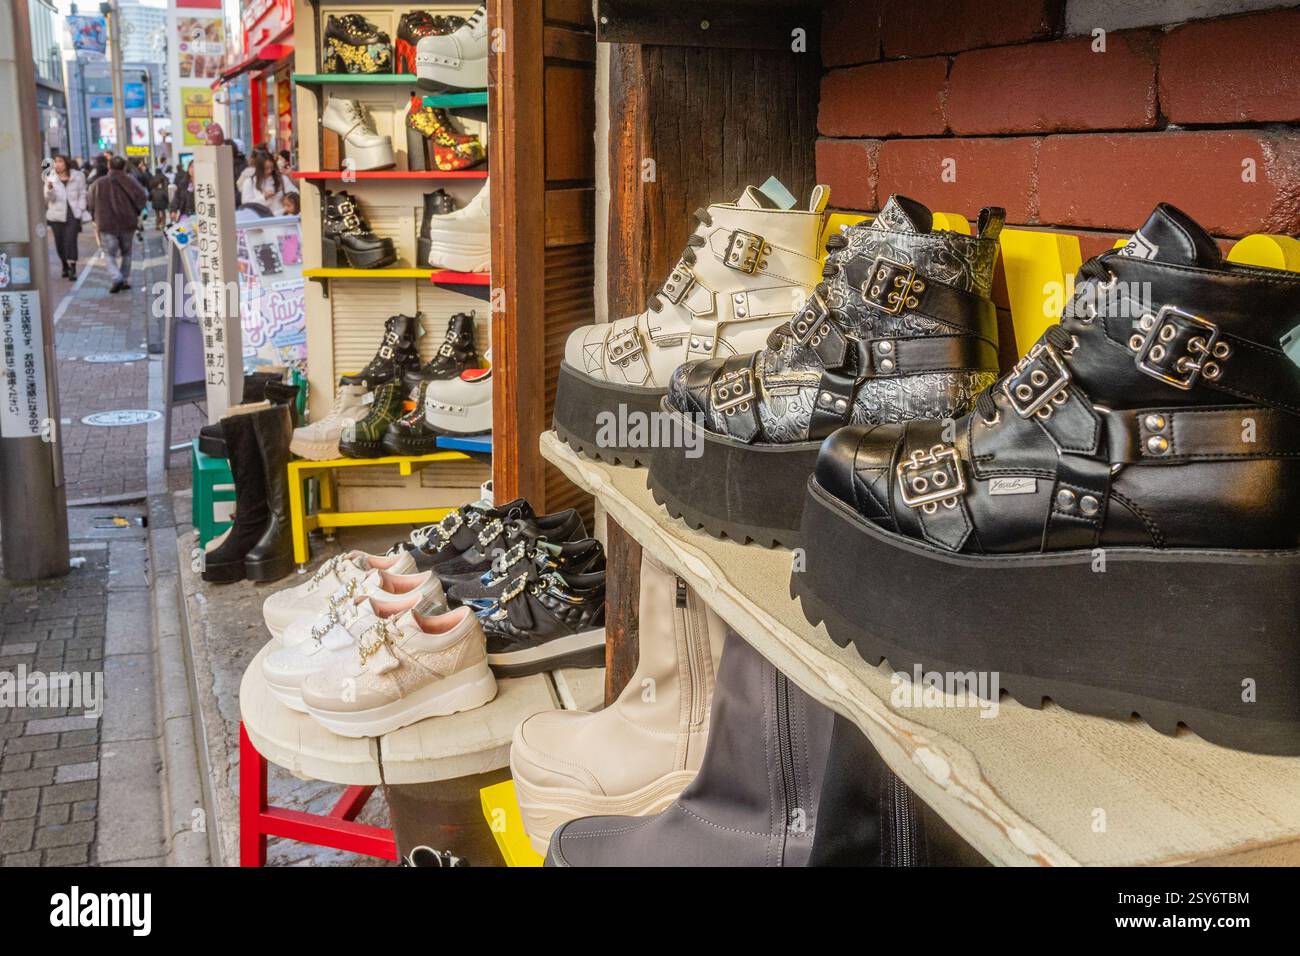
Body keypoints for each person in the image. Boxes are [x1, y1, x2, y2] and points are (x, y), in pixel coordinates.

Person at [86, 156, 147, 293]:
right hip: (128, 222)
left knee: (109, 253)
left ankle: (116, 277)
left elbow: (90, 202)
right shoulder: (130, 181)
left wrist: (95, 216)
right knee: (127, 252)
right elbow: (142, 198)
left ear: (109, 166)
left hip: (106, 223)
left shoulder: (98, 183)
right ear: (124, 167)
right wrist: (135, 212)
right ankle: (123, 279)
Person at [43, 154, 89, 279]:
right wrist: (49, 189)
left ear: (66, 163)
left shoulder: (78, 176)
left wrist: (81, 208)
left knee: (71, 240)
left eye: (60, 161)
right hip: (56, 215)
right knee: (60, 242)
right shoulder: (50, 177)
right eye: (55, 162)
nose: (57, 164)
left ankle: (72, 268)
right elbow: (47, 199)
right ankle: (64, 265)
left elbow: (83, 193)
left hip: (73, 214)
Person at [238, 150, 297, 216]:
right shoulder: (249, 182)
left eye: (271, 167)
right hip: (259, 223)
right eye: (266, 168)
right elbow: (246, 206)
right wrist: (264, 197)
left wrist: (288, 199)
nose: (269, 171)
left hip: (281, 221)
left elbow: (295, 194)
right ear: (259, 168)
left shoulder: (282, 179)